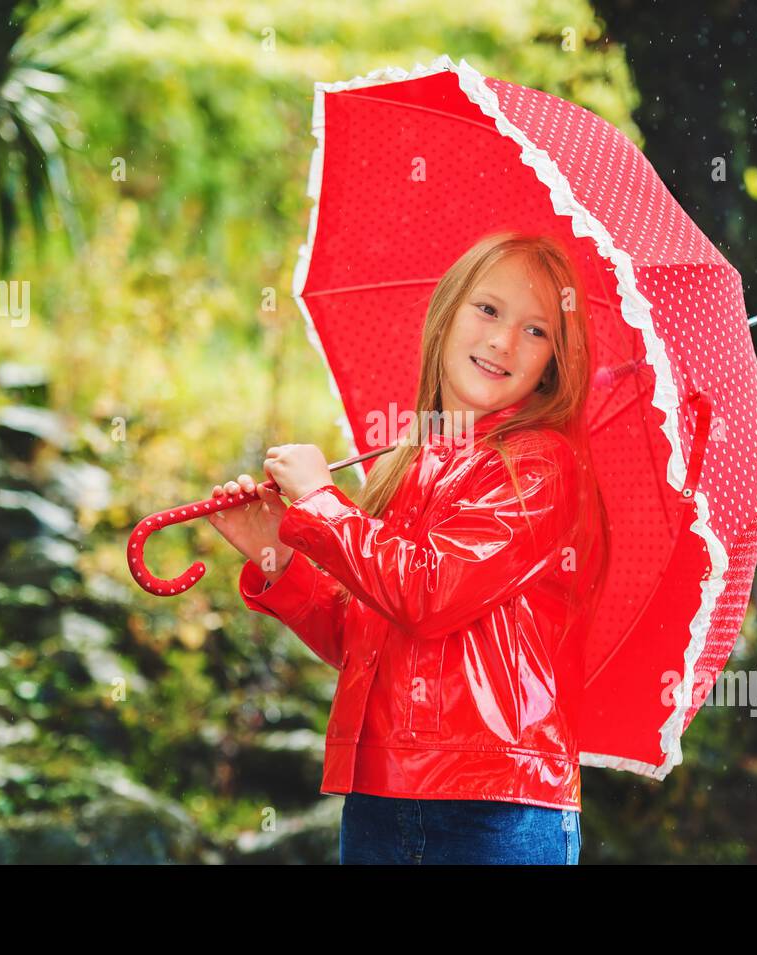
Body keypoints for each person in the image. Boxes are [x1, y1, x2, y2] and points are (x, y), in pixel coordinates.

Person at [207, 231, 610, 864]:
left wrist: (320, 502)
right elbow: (362, 637)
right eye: (488, 309)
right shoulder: (408, 464)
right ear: (446, 313)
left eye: (536, 331)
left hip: (494, 805)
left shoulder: (540, 466)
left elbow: (428, 593)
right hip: (378, 794)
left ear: (552, 365)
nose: (503, 341)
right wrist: (276, 557)